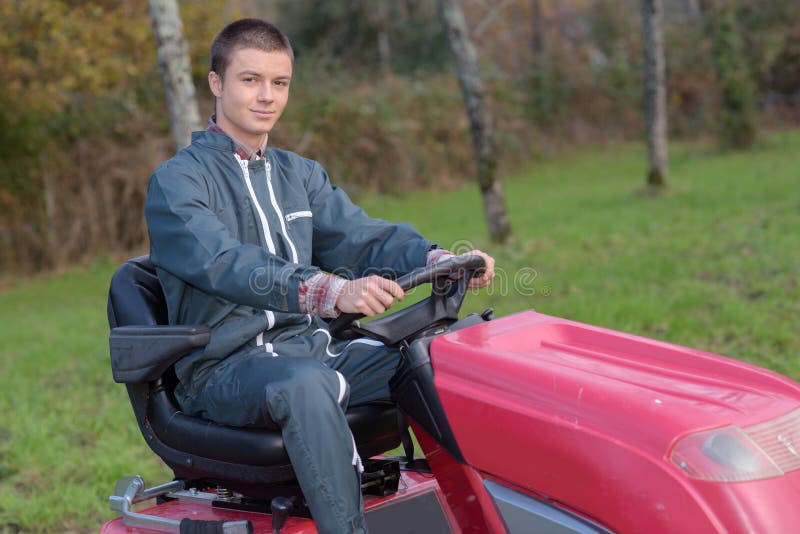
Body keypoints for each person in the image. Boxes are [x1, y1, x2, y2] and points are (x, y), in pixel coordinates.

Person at [145, 18, 495, 534]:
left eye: (279, 83)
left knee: (445, 353)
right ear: (216, 84)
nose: (267, 96)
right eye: (250, 80)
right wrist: (326, 291)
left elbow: (362, 238)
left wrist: (436, 257)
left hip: (314, 351)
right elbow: (223, 261)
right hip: (224, 370)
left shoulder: (299, 175)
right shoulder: (177, 182)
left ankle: (481, 516)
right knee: (306, 385)